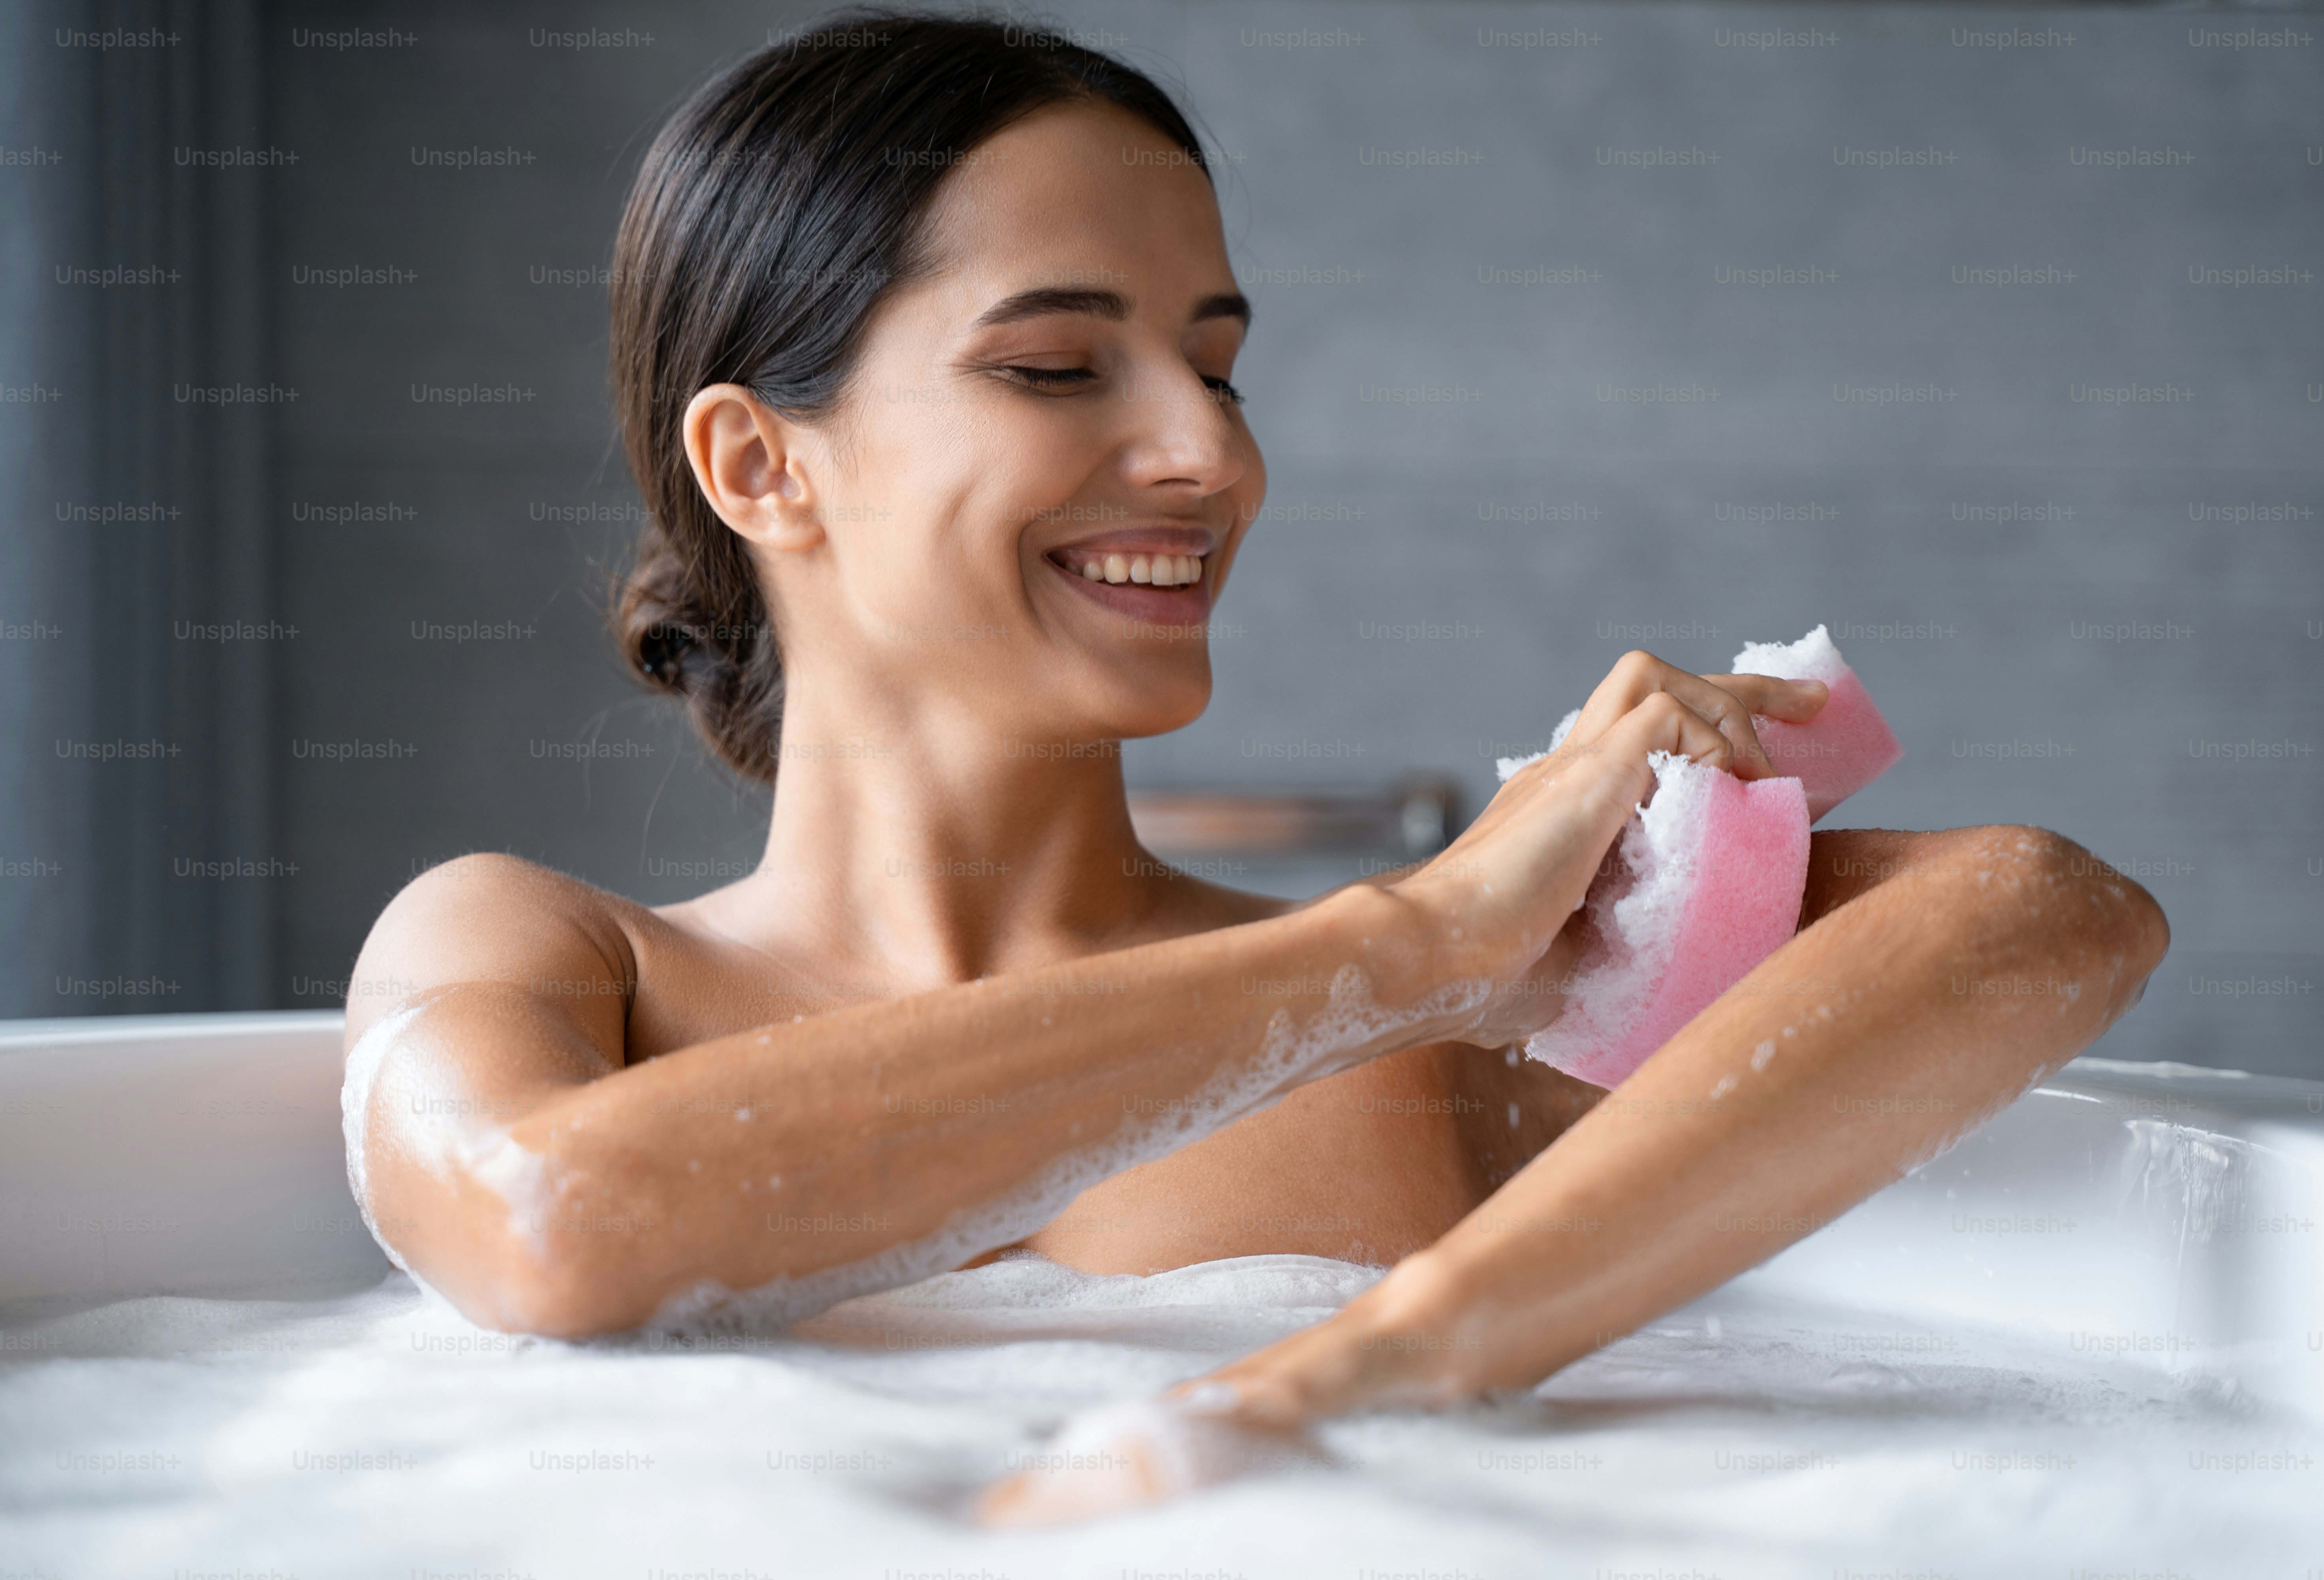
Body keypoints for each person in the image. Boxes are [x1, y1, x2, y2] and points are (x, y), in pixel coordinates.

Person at [338, 11, 2168, 1520]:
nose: (1206, 456)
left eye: (1217, 371)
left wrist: (1377, 1367)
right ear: (760, 467)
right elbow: (557, 1219)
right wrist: (1394, 953)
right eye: (1060, 367)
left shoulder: (1443, 1039)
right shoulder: (554, 958)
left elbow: (2045, 913)